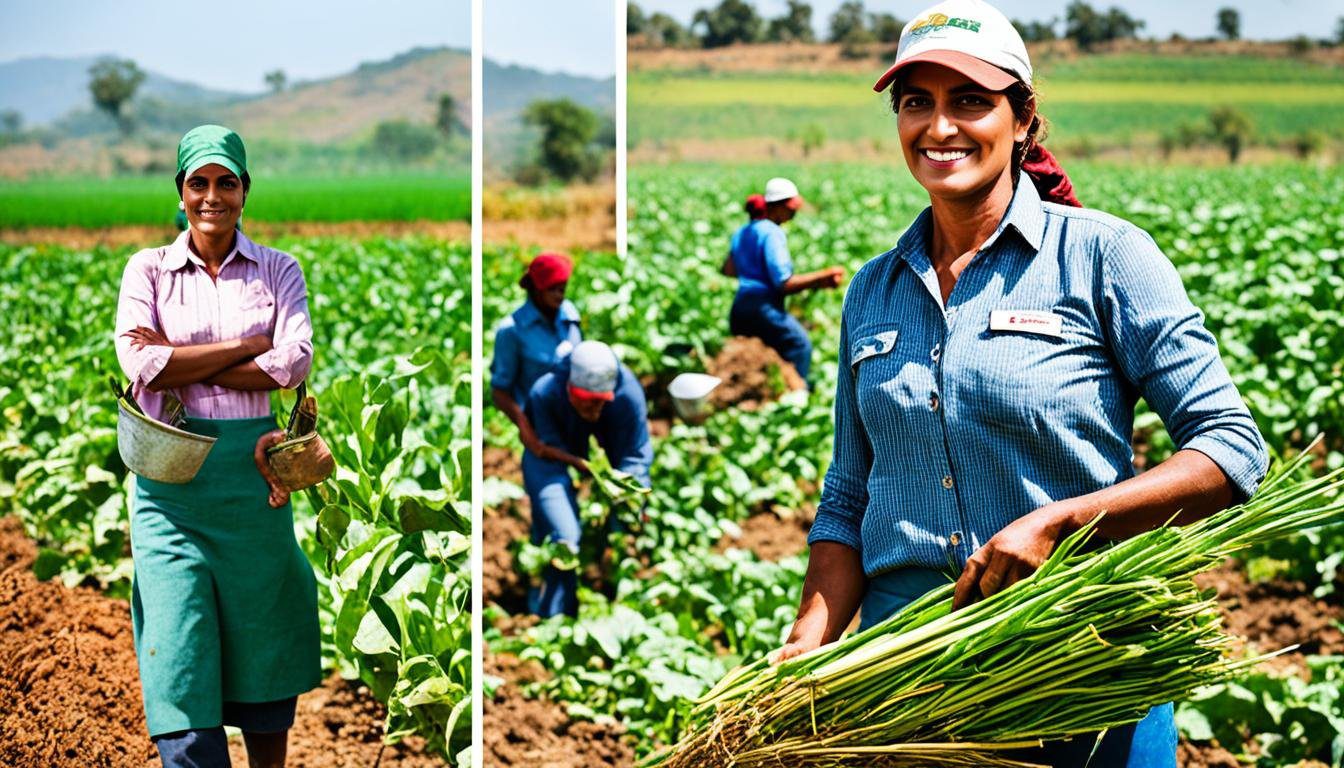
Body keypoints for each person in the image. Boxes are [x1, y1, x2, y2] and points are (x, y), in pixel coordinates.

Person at [774, 2, 1268, 766]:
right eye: (917, 103)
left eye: (969, 100)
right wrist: (809, 644)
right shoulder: (873, 290)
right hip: (910, 680)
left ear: (1023, 118)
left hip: (1080, 658)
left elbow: (1232, 450)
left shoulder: (1105, 258)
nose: (939, 128)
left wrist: (1059, 523)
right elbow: (848, 495)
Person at [115, 124, 321, 768]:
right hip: (169, 495)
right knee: (177, 651)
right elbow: (139, 362)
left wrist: (182, 358)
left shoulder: (278, 269)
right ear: (179, 193)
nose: (212, 196)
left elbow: (294, 363)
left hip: (256, 486)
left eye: (225, 182)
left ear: (245, 190)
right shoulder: (147, 268)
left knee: (263, 644)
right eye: (198, 183)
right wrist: (246, 346)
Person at [521, 340, 653, 618]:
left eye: (600, 402)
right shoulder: (545, 392)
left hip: (597, 453)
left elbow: (635, 455)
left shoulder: (627, 397)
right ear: (569, 387)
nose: (593, 409)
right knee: (564, 535)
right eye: (585, 400)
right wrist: (585, 467)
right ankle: (553, 616)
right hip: (548, 459)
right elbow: (546, 449)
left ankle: (613, 597)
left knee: (624, 521)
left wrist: (630, 496)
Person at [721, 177, 845, 385]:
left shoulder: (742, 231)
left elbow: (728, 269)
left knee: (763, 354)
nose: (793, 214)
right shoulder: (772, 233)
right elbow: (783, 284)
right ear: (776, 207)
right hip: (763, 308)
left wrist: (753, 270)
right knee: (799, 345)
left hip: (740, 309)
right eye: (790, 209)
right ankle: (795, 397)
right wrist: (822, 277)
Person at [491, 252, 583, 458]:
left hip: (578, 419)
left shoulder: (569, 315)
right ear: (535, 289)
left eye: (563, 288)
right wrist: (525, 428)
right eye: (553, 289)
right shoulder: (512, 330)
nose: (560, 295)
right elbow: (499, 391)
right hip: (541, 429)